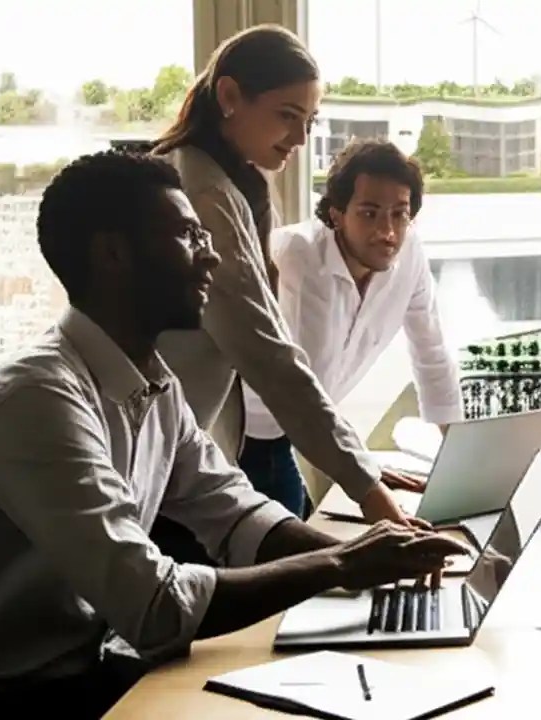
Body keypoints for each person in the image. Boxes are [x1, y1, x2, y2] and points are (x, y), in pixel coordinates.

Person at [0, 152, 466, 716]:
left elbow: (238, 514)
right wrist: (343, 567)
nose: (213, 257)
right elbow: (155, 605)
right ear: (113, 255)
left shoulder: (152, 383)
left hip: (74, 671)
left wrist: (373, 557)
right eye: (189, 237)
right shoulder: (36, 399)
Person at [149, 24, 415, 531]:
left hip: (188, 451)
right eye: (288, 117)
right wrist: (369, 490)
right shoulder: (202, 193)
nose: (300, 138)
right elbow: (267, 351)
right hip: (163, 456)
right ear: (229, 96)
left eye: (310, 120)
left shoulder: (231, 182)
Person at [241, 140, 464, 513]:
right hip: (248, 430)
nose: (387, 232)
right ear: (337, 213)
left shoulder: (409, 254)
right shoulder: (300, 257)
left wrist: (461, 467)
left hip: (303, 426)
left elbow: (432, 356)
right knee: (279, 551)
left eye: (399, 214)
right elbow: (310, 384)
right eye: (370, 213)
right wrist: (366, 479)